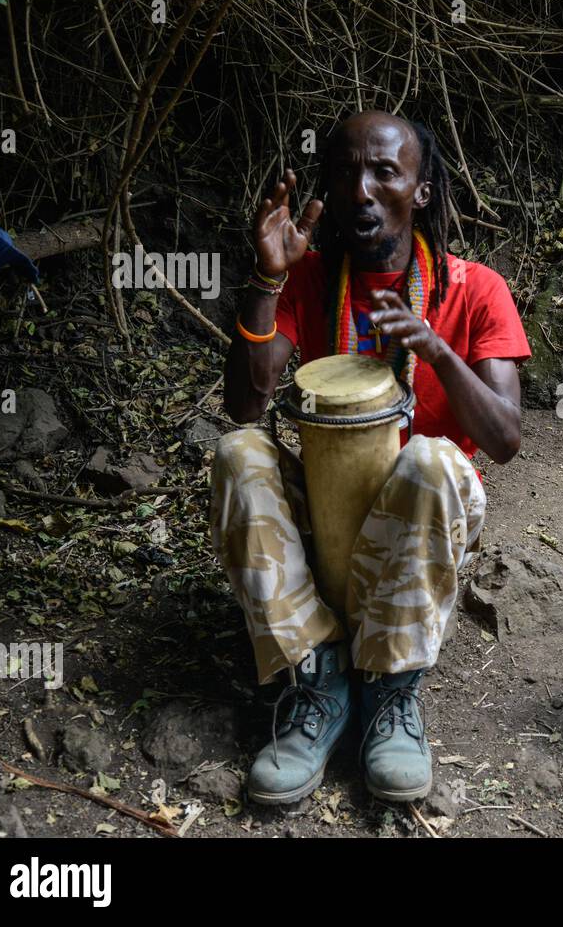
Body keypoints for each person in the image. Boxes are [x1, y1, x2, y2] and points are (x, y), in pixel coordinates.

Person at [209, 111, 531, 806]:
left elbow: (505, 439)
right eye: (347, 171)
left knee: (437, 461)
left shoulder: (474, 290)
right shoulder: (312, 279)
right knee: (238, 454)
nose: (362, 189)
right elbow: (245, 402)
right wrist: (266, 279)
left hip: (415, 534)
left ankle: (390, 691)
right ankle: (318, 678)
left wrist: (436, 351)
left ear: (420, 190)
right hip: (325, 525)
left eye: (385, 171)